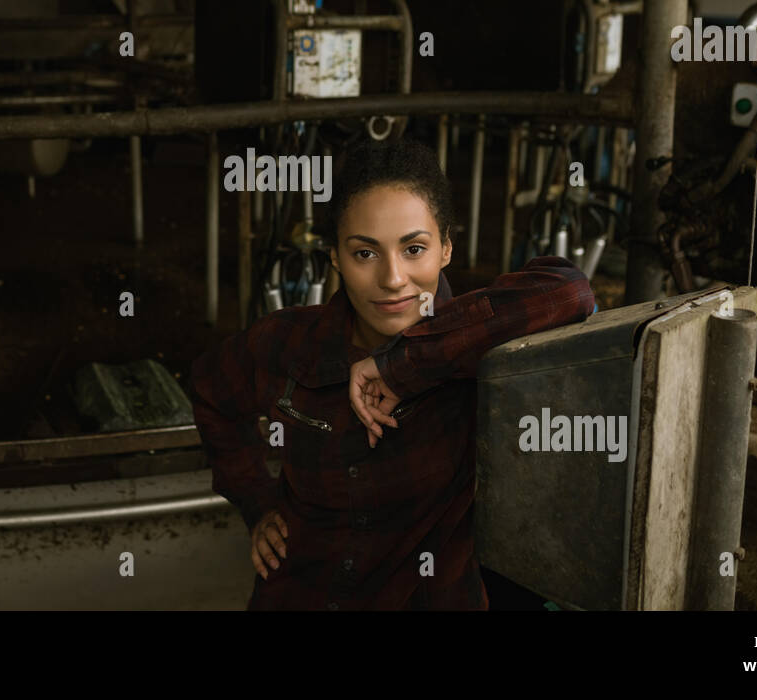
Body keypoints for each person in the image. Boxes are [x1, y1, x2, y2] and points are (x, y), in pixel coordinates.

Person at [189, 137, 596, 609]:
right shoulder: (287, 344)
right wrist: (257, 501)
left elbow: (570, 292)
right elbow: (211, 389)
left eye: (414, 248)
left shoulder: (479, 345)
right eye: (365, 253)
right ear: (335, 258)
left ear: (446, 246)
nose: (393, 279)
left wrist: (402, 364)